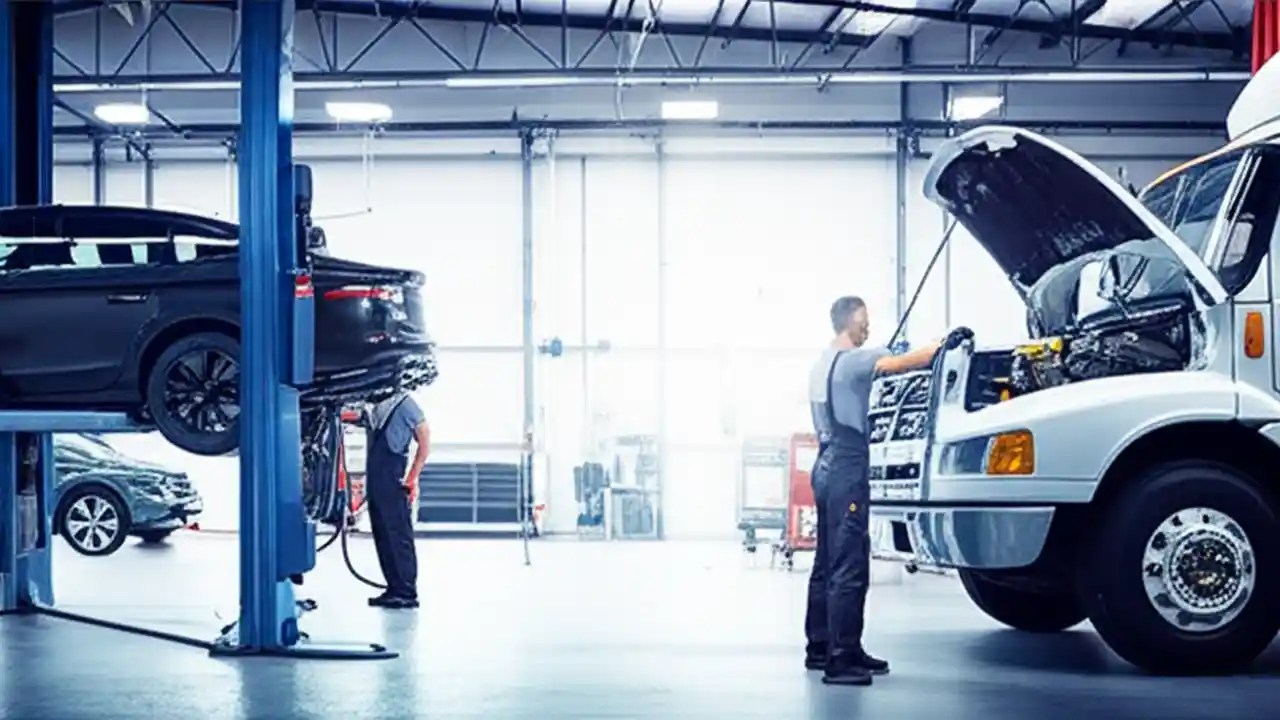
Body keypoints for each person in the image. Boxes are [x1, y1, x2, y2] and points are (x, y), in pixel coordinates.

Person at [803, 296, 942, 686]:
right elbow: (910, 360)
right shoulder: (856, 361)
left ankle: (820, 647)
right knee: (849, 563)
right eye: (864, 320)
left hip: (825, 464)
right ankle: (842, 659)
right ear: (850, 320)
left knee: (825, 562)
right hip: (847, 467)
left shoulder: (821, 364)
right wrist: (943, 344)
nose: (868, 327)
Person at [363, 391, 431, 609]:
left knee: (398, 534)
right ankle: (394, 587)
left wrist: (412, 477)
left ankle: (406, 591)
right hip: (376, 479)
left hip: (393, 479)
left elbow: (425, 438)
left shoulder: (406, 404)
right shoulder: (377, 404)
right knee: (383, 534)